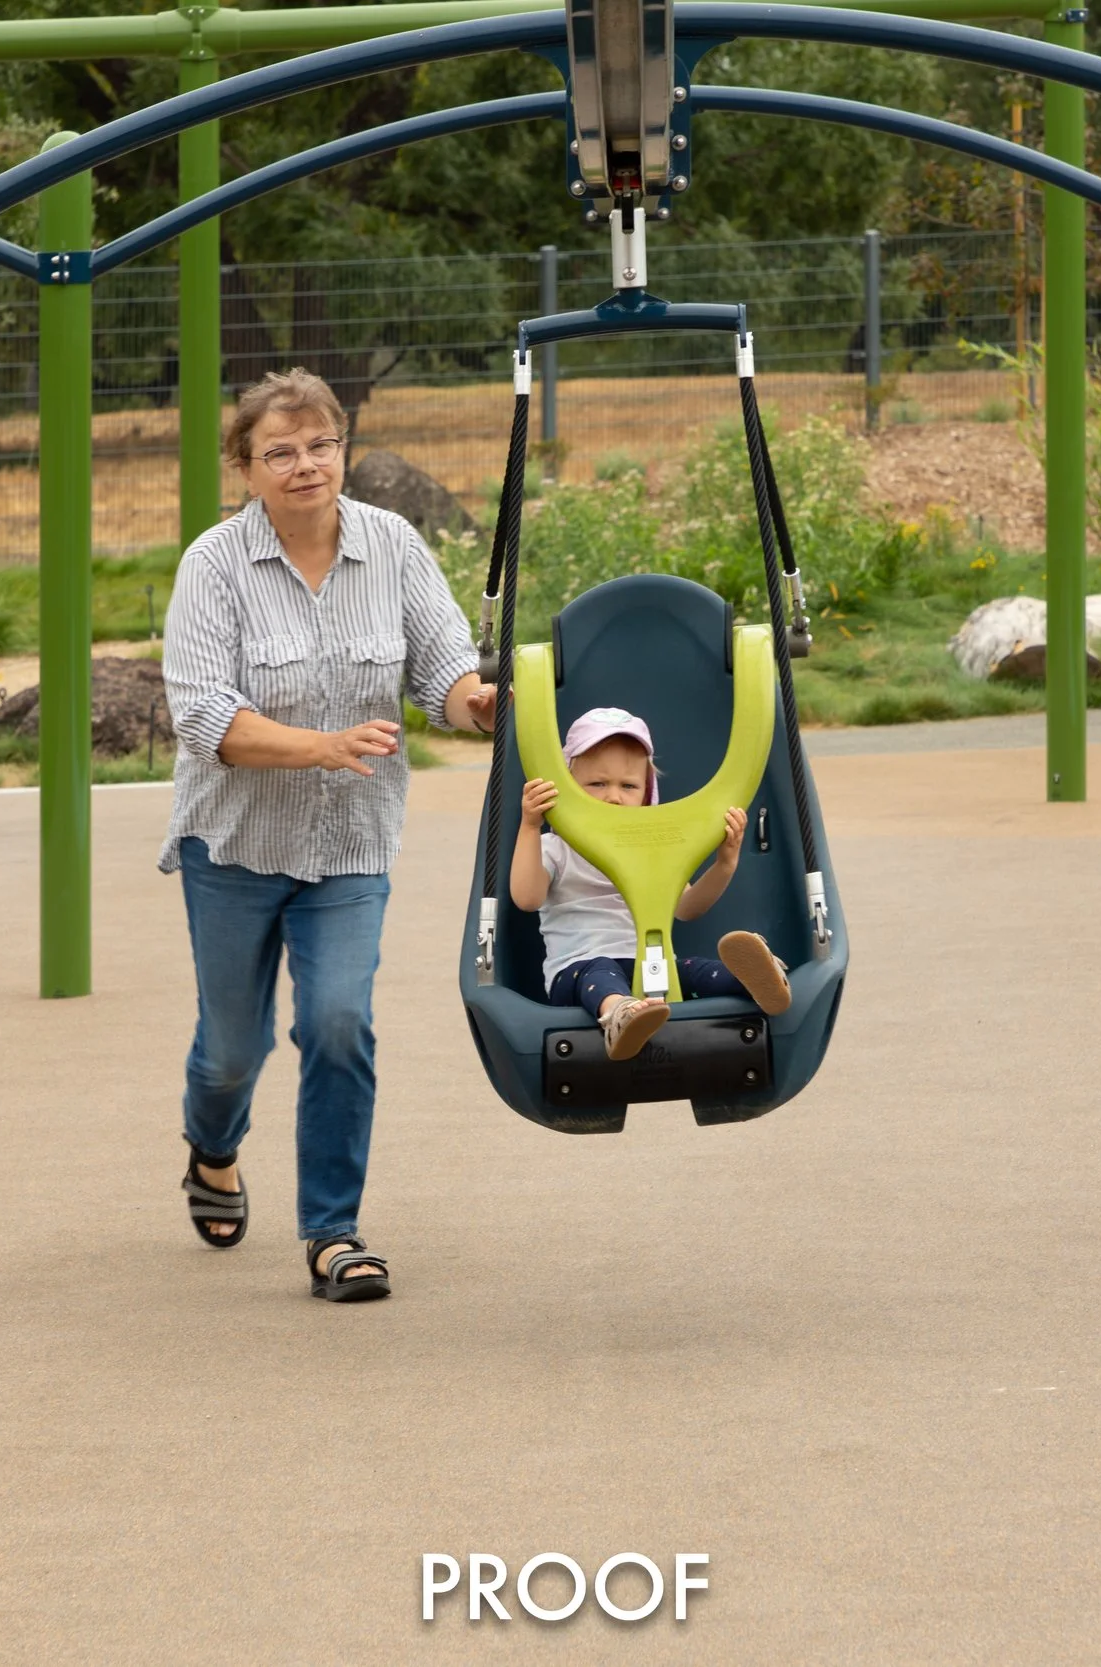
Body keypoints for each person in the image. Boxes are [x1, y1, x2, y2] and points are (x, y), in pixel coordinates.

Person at [159, 368, 495, 1303]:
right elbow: (204, 720)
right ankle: (213, 1147)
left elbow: (444, 678)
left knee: (339, 1023)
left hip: (350, 845)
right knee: (233, 1048)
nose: (305, 465)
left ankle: (332, 1233)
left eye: (320, 445)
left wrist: (486, 706)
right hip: (230, 846)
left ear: (342, 449)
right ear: (246, 466)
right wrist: (321, 746)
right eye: (281, 451)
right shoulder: (213, 566)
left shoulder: (393, 546)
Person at [508, 707, 791, 1061]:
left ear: (646, 793)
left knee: (696, 972)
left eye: (628, 786)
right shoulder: (556, 849)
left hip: (653, 968)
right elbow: (526, 897)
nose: (613, 796)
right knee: (600, 971)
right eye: (597, 783)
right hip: (579, 974)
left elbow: (686, 909)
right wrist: (530, 827)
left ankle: (760, 977)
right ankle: (620, 1015)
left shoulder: (651, 851)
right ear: (567, 787)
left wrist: (724, 863)